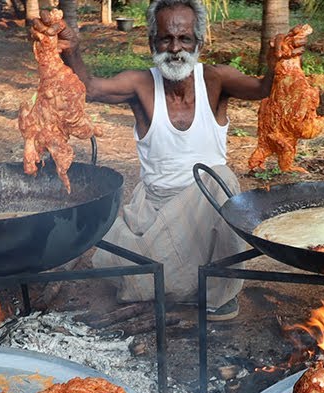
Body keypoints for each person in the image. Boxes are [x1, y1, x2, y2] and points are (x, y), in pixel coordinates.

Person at [38, 0, 275, 321]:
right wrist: (71, 49)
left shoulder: (217, 81)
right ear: (152, 43)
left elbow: (264, 88)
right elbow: (88, 88)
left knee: (220, 178)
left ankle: (219, 298)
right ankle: (181, 283)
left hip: (209, 211)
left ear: (199, 43)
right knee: (134, 272)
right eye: (166, 39)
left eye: (185, 39)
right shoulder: (141, 85)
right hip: (156, 215)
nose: (175, 48)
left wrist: (280, 60)